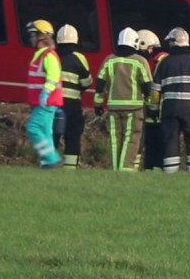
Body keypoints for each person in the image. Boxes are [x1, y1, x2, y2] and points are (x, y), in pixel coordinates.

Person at [149, 27, 190, 174]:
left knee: (170, 140)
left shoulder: (163, 63)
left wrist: (153, 109)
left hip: (170, 108)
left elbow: (155, 90)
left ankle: (171, 174)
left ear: (173, 42)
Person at [93, 27, 153, 171]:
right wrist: (151, 106)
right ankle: (125, 169)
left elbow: (100, 84)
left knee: (115, 139)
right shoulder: (140, 61)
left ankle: (115, 169)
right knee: (131, 139)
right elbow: (147, 87)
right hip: (134, 108)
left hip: (114, 107)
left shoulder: (109, 60)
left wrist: (98, 104)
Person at [24, 19, 64, 169]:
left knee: (33, 128)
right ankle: (47, 164)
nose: (31, 38)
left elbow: (54, 75)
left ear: (41, 36)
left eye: (33, 35)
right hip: (43, 102)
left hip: (46, 101)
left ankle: (51, 159)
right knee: (46, 132)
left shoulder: (48, 55)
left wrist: (45, 92)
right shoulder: (42, 54)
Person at [53, 24, 93, 169]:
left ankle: (50, 165)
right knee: (72, 136)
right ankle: (70, 169)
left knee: (53, 136)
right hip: (72, 104)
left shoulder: (53, 55)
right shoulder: (79, 58)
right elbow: (87, 81)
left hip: (54, 103)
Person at [136, 29, 166, 170]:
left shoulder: (145, 62)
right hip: (149, 113)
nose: (152, 51)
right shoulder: (144, 63)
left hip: (147, 113)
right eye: (150, 48)